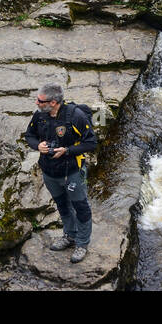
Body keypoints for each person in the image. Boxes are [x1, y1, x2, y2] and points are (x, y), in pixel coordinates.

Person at [23, 84, 96, 264]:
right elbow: (29, 135)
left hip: (72, 171)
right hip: (49, 171)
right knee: (62, 204)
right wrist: (37, 146)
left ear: (53, 102)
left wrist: (68, 150)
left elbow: (91, 142)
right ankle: (69, 235)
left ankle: (82, 243)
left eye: (40, 101)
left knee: (80, 207)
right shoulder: (39, 115)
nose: (36, 103)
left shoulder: (75, 116)